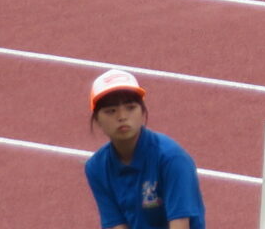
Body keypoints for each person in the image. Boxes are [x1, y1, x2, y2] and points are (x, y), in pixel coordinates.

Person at [84, 69, 207, 229]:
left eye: (130, 107)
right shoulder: (96, 167)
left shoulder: (171, 158)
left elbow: (180, 224)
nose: (122, 116)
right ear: (97, 120)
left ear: (142, 112)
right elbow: (116, 224)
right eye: (111, 111)